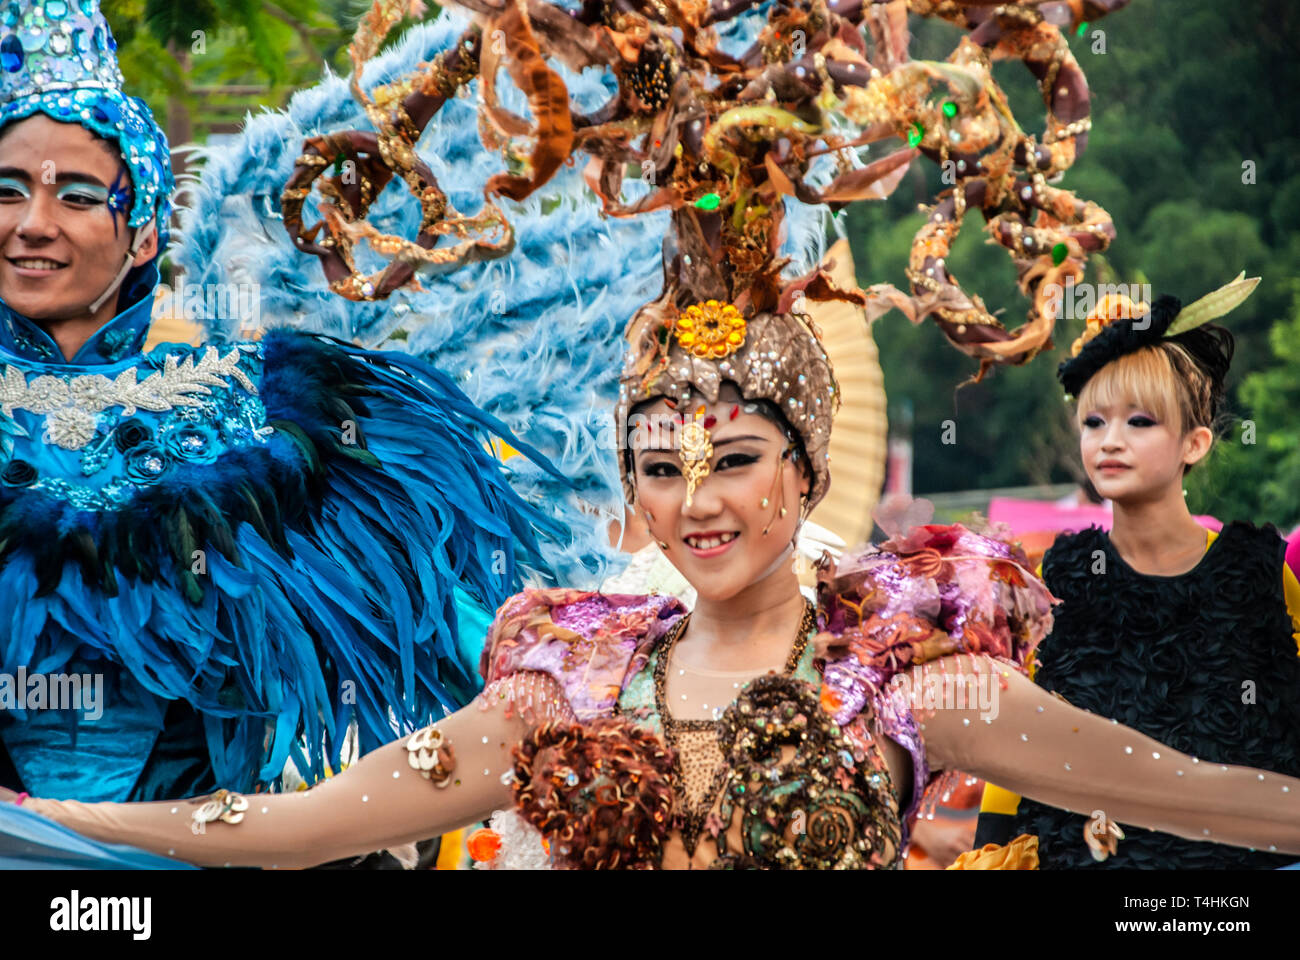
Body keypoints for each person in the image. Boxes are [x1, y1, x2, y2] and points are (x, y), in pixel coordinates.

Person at [7, 289, 1300, 869]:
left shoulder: (909, 679)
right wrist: (64, 826)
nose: (700, 501)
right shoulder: (561, 681)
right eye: (663, 466)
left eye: (736, 459)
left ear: (804, 475)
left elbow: (1195, 795)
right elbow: (292, 828)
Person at [0, 0, 570, 827]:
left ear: (147, 232)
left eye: (80, 197)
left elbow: (460, 645)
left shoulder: (264, 413)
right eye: (5, 190)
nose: (31, 224)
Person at [974, 285, 1300, 868]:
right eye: (1094, 422)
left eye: (1140, 421)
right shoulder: (1053, 580)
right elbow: (1019, 730)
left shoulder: (1265, 576)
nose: (1110, 442)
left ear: (1194, 443)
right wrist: (989, 850)